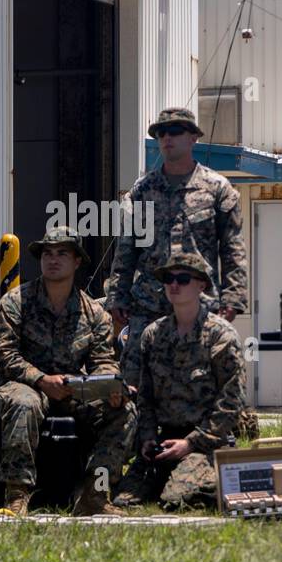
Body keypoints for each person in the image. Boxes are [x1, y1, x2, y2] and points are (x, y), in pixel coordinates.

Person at [0, 227, 136, 517]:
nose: (53, 259)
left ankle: (94, 493)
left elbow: (103, 361)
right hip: (22, 384)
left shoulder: (94, 313)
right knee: (25, 403)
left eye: (62, 254)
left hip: (71, 388)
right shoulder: (16, 302)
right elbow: (3, 355)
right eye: (47, 253)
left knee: (125, 412)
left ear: (77, 261)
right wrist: (41, 380)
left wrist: (111, 388)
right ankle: (17, 495)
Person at [104, 107, 246, 387]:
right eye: (162, 133)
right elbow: (126, 249)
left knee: (201, 378)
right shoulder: (143, 190)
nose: (167, 138)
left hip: (200, 303)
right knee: (136, 379)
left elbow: (233, 249)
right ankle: (138, 432)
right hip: (148, 303)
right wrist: (117, 297)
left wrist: (233, 299)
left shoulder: (217, 189)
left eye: (176, 131)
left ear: (193, 137)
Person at [113, 251, 247, 510]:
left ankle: (216, 479)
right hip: (165, 440)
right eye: (168, 279)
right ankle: (167, 476)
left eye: (183, 279)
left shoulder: (221, 336)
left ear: (201, 285)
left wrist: (191, 443)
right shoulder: (154, 334)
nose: (174, 285)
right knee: (123, 500)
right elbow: (146, 396)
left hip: (206, 443)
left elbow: (231, 403)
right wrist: (149, 437)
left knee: (177, 501)